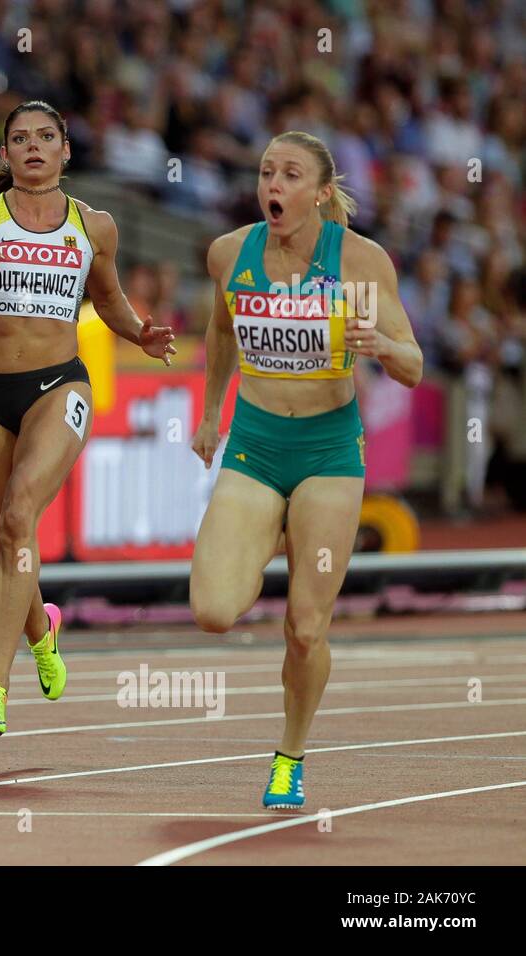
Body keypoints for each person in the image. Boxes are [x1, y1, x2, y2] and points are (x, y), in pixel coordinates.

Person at [0, 100, 176, 736]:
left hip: (59, 386)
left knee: (18, 516)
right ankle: (43, 633)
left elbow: (111, 300)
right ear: (4, 155)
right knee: (5, 544)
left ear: (66, 150)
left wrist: (140, 335)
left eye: (45, 137)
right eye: (19, 139)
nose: (32, 147)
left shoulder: (95, 226)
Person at [189, 130, 423, 808]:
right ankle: (267, 534)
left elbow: (413, 365)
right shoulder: (230, 253)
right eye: (266, 173)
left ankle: (289, 755)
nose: (273, 186)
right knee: (211, 611)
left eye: (290, 175)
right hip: (255, 447)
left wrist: (377, 342)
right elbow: (221, 331)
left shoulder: (360, 262)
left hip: (328, 453)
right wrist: (210, 414)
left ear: (321, 192)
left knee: (305, 629)